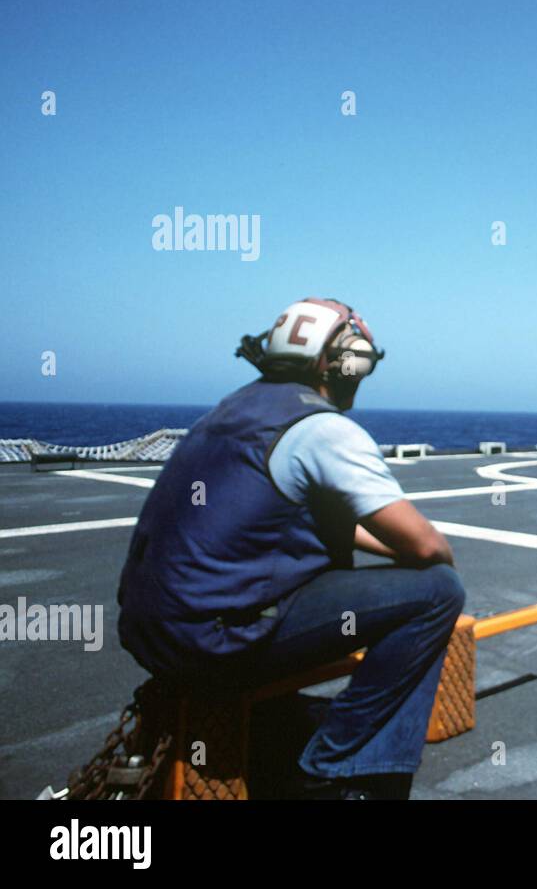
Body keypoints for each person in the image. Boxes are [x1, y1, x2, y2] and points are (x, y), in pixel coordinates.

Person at [116, 297, 464, 799]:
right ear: (341, 362)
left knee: (324, 577)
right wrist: (411, 556)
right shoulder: (323, 430)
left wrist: (391, 551)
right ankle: (339, 771)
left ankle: (272, 722)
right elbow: (432, 549)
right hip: (215, 642)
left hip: (153, 633)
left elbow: (277, 524)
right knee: (438, 593)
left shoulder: (235, 408)